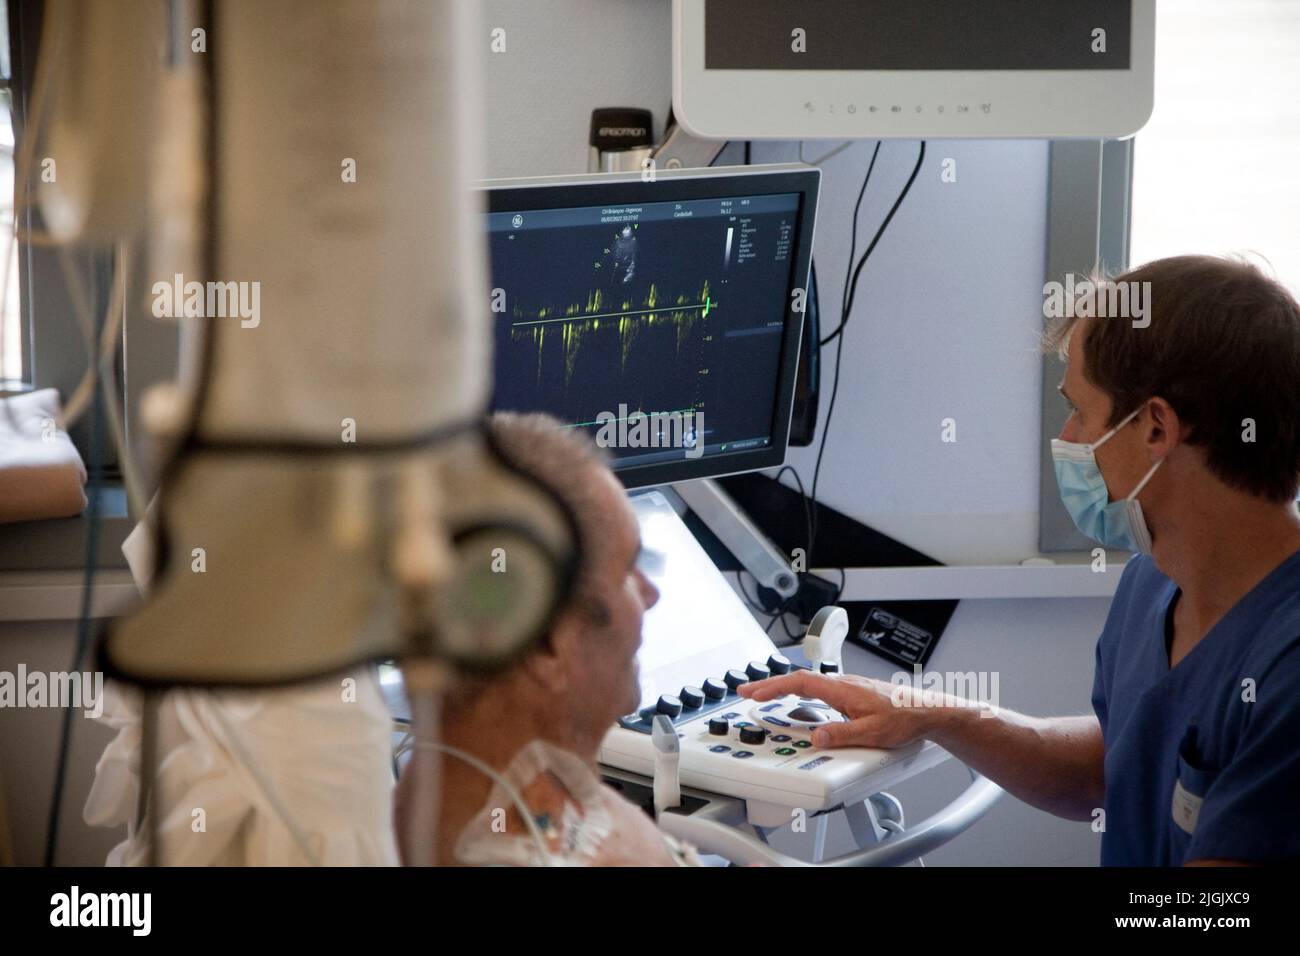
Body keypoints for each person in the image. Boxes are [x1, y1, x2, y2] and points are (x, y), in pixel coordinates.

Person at [741, 255, 1300, 866]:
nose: (1069, 439)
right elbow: (1110, 770)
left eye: (1082, 413)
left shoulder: (1285, 667)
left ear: (1156, 428)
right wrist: (939, 715)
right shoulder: (1153, 583)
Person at [394, 411, 700, 866]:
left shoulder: (544, 801)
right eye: (627, 572)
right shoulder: (507, 849)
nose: (650, 594)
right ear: (546, 647)